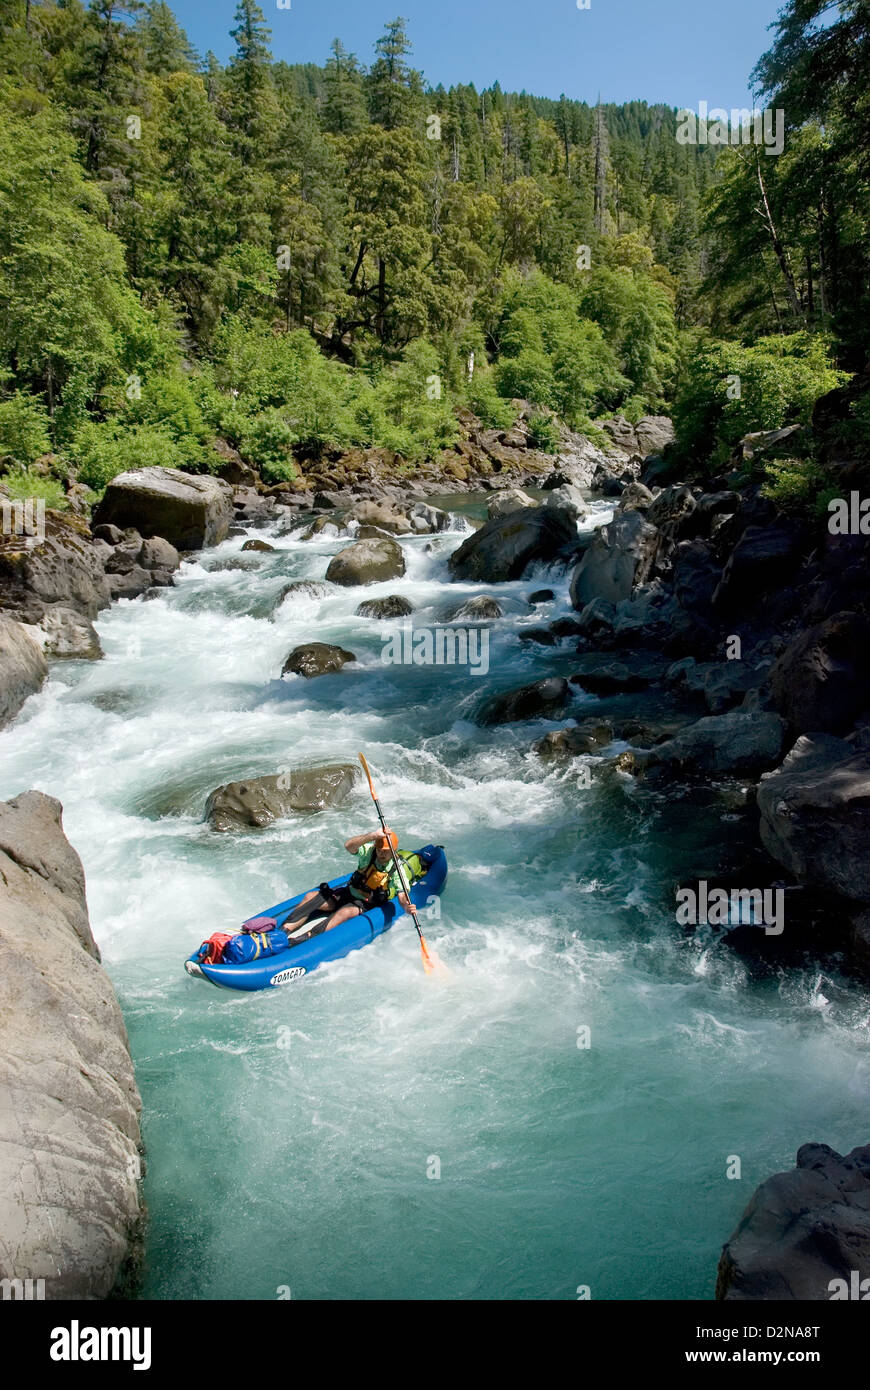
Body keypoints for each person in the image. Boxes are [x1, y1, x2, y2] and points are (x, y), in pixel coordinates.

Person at [284, 830, 413, 944]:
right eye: (379, 850)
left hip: (366, 903)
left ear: (393, 851)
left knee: (345, 912)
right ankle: (284, 930)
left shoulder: (397, 869)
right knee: (310, 897)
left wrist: (406, 906)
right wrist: (373, 835)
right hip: (349, 891)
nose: (381, 854)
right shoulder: (370, 852)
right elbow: (349, 846)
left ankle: (309, 937)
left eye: (385, 852)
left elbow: (402, 895)